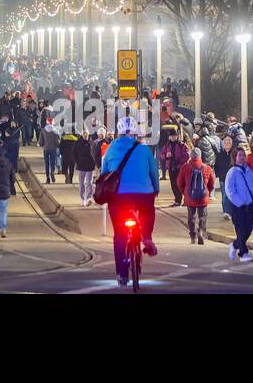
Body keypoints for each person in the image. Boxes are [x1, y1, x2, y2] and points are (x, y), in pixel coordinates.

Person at [99, 117, 159, 287]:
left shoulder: (111, 149)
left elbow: (104, 173)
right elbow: (153, 171)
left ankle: (122, 275)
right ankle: (147, 237)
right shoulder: (144, 149)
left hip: (118, 197)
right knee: (148, 211)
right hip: (143, 194)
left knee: (119, 236)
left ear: (118, 132)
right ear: (135, 133)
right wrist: (155, 190)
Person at [224, 145, 253, 262]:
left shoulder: (248, 171)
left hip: (249, 205)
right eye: (240, 155)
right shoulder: (232, 172)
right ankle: (243, 253)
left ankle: (235, 245)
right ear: (235, 157)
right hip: (238, 207)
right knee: (241, 229)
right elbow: (230, 190)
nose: (242, 157)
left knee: (249, 228)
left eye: (244, 155)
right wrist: (239, 202)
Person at [175, 147, 215, 244]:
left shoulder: (185, 167)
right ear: (200, 156)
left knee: (191, 217)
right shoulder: (207, 168)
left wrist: (184, 192)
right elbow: (212, 183)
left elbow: (179, 182)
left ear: (191, 156)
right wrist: (207, 192)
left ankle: (193, 236)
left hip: (190, 197)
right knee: (203, 216)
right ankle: (201, 231)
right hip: (203, 197)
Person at [160, 131, 190, 207]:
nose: (173, 137)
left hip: (180, 167)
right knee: (174, 185)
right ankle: (177, 200)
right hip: (171, 167)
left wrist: (180, 161)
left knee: (181, 184)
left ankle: (186, 200)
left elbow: (187, 155)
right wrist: (166, 156)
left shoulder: (182, 145)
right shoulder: (167, 145)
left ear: (177, 136)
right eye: (171, 136)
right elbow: (161, 154)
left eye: (174, 136)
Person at [75, 131, 98, 206]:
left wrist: (94, 162)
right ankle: (82, 198)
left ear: (88, 134)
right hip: (81, 165)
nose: (85, 135)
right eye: (84, 134)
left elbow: (95, 153)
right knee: (81, 183)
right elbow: (74, 153)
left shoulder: (91, 143)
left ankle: (88, 198)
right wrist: (77, 162)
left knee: (89, 183)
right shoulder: (78, 142)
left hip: (90, 166)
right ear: (82, 135)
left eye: (86, 134)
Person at [41, 118, 60, 184]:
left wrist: (41, 144)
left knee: (46, 163)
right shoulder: (55, 131)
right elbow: (57, 142)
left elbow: (41, 141)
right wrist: (58, 146)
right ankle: (52, 172)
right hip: (53, 149)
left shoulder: (43, 130)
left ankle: (47, 178)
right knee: (52, 162)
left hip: (46, 149)